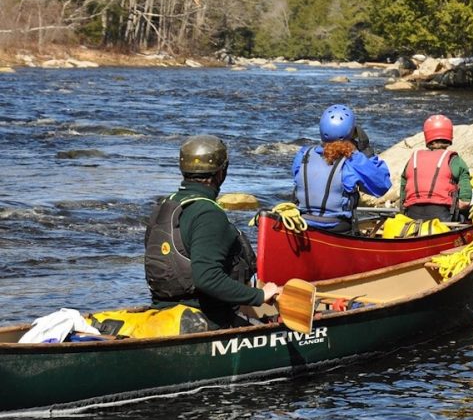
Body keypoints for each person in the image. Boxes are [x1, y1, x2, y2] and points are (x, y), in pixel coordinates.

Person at [144, 135, 279, 329]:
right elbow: (207, 278)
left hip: (164, 313)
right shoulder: (208, 214)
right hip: (204, 318)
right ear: (221, 172)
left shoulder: (165, 206)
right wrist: (259, 296)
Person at [292, 104, 391, 232]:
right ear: (351, 134)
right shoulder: (353, 159)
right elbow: (382, 185)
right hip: (338, 228)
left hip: (304, 224)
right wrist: (367, 151)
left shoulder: (304, 155)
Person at [400, 114, 472, 222]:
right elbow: (465, 202)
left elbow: (403, 196)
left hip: (411, 215)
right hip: (442, 216)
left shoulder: (413, 159)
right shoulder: (454, 160)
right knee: (469, 216)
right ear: (449, 136)